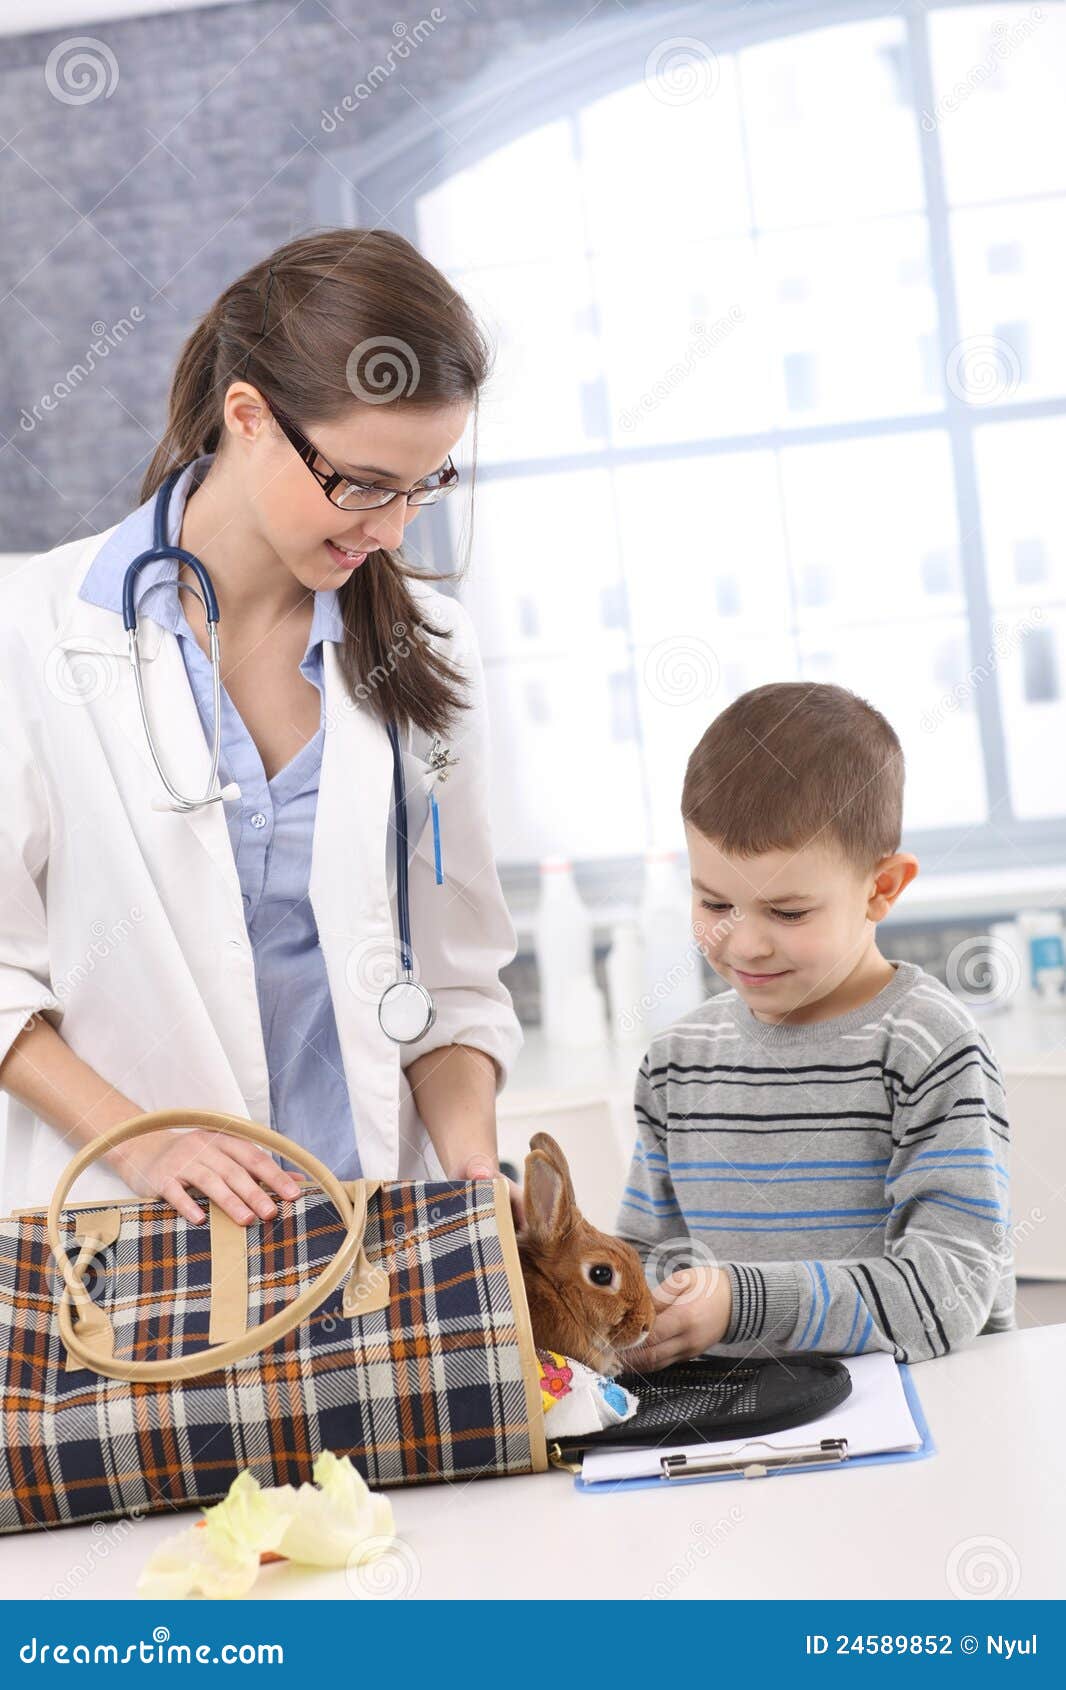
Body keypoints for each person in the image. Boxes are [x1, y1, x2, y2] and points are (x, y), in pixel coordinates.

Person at [0, 228, 524, 1226]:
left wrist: (471, 1171)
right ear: (248, 416)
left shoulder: (431, 653)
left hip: (365, 1227)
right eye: (363, 483)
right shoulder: (34, 632)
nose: (391, 529)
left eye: (424, 485)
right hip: (125, 1228)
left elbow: (453, 981)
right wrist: (144, 1140)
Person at [617, 681, 1016, 1366]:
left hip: (933, 1424)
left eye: (789, 913)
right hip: (747, 1433)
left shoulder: (927, 1047)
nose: (745, 944)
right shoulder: (675, 1063)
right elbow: (647, 1268)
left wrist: (741, 1305)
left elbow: (947, 1293)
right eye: (716, 903)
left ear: (881, 888)